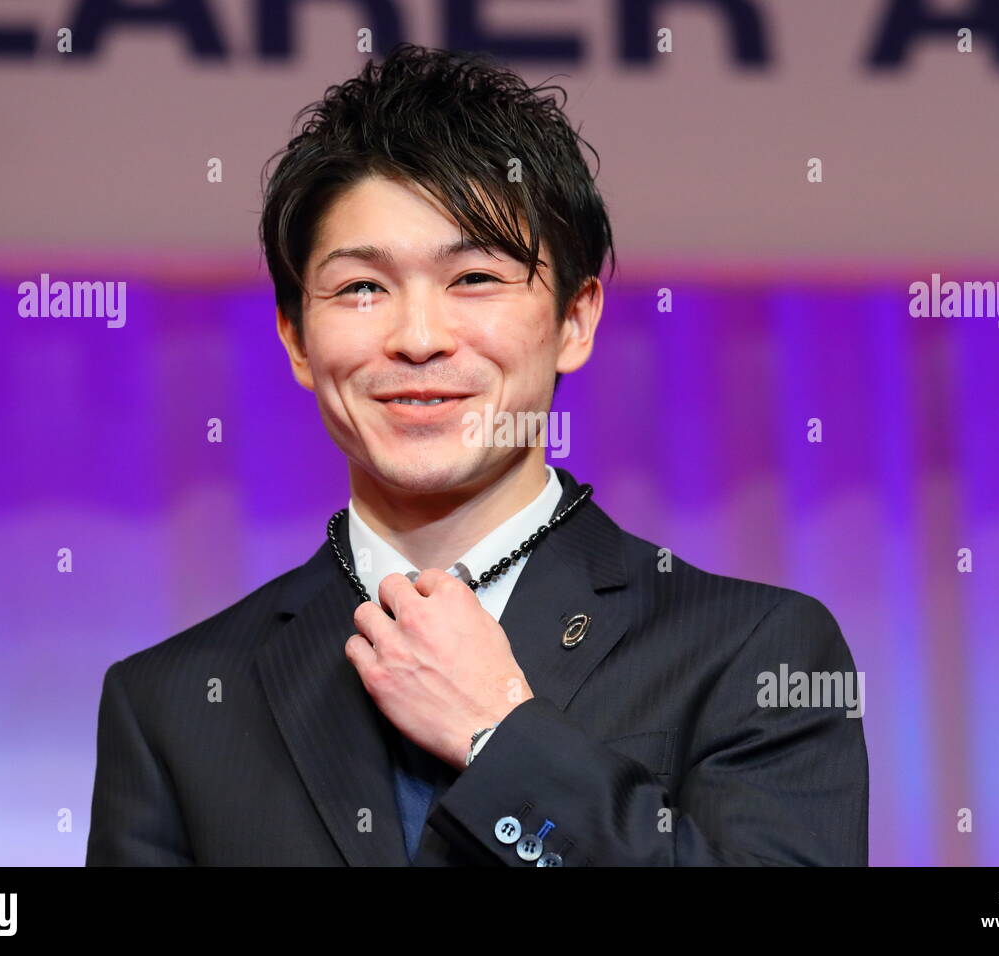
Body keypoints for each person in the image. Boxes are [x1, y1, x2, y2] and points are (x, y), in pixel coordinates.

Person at [85, 42, 868, 866]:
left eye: (475, 279)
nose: (418, 338)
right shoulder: (174, 702)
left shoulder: (754, 651)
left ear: (576, 319)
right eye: (361, 288)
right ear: (295, 338)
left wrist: (501, 737)